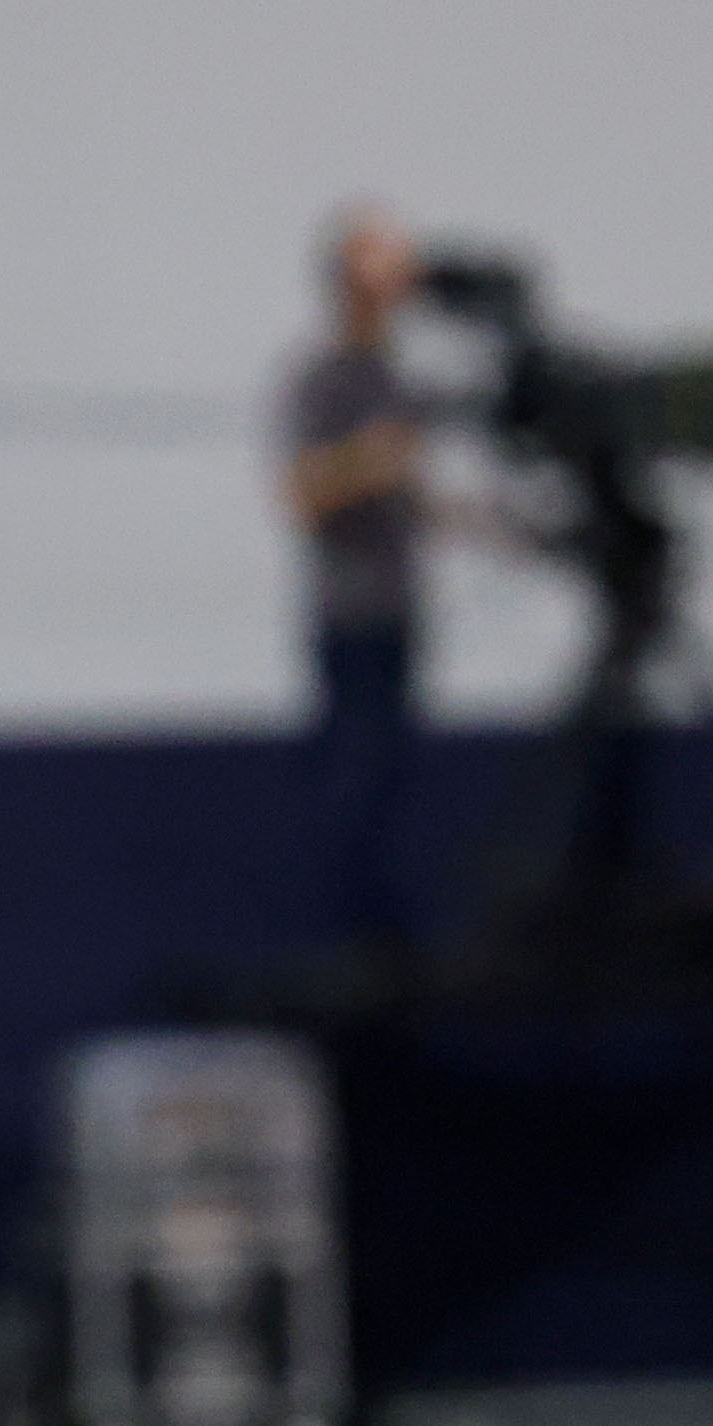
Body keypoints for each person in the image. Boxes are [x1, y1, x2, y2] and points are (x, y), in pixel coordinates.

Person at [280, 205, 437, 950]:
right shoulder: (324, 379)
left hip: (401, 609)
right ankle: (351, 938)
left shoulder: (391, 377)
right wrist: (369, 460)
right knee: (356, 783)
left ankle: (389, 933)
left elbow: (411, 495)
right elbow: (303, 492)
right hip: (350, 613)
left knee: (397, 779)